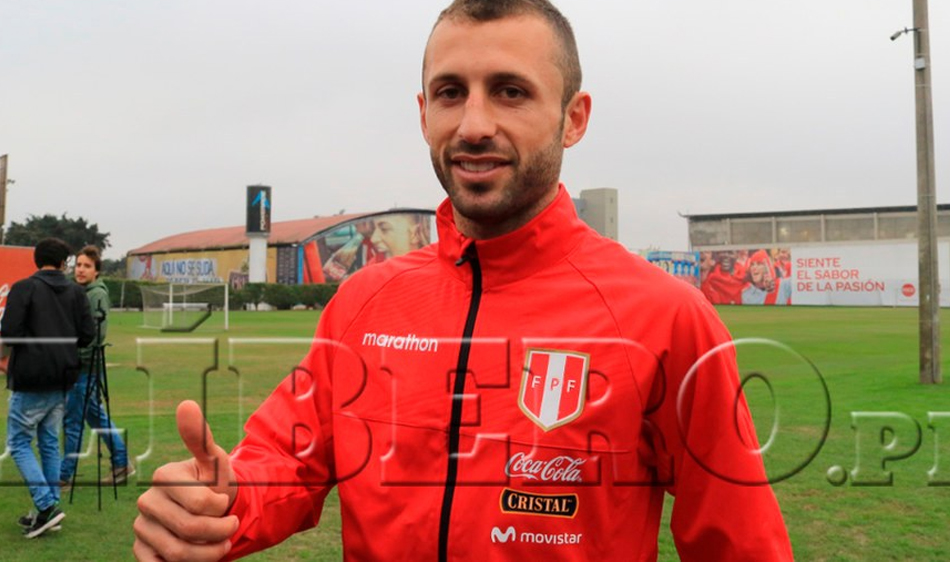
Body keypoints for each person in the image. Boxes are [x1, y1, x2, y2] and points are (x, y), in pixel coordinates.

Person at [133, 1, 793, 560]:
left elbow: (741, 540)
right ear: (424, 113)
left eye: (510, 90)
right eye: (451, 92)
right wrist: (225, 501)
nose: (475, 125)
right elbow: (288, 462)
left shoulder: (666, 318)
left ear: (574, 116)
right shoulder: (363, 302)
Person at [1, 238, 94, 538]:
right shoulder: (76, 294)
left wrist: (3, 359)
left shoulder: (24, 288)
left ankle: (45, 506)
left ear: (37, 260)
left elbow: (9, 332)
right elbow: (87, 335)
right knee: (49, 443)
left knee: (18, 442)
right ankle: (49, 506)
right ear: (65, 262)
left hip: (30, 377)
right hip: (63, 377)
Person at [60, 245, 135, 488]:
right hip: (79, 367)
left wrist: (72, 357)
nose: (80, 270)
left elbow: (94, 336)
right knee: (96, 418)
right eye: (78, 265)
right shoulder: (81, 292)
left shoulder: (95, 295)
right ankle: (122, 464)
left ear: (97, 271)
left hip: (83, 369)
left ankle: (63, 477)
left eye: (86, 266)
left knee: (73, 422)